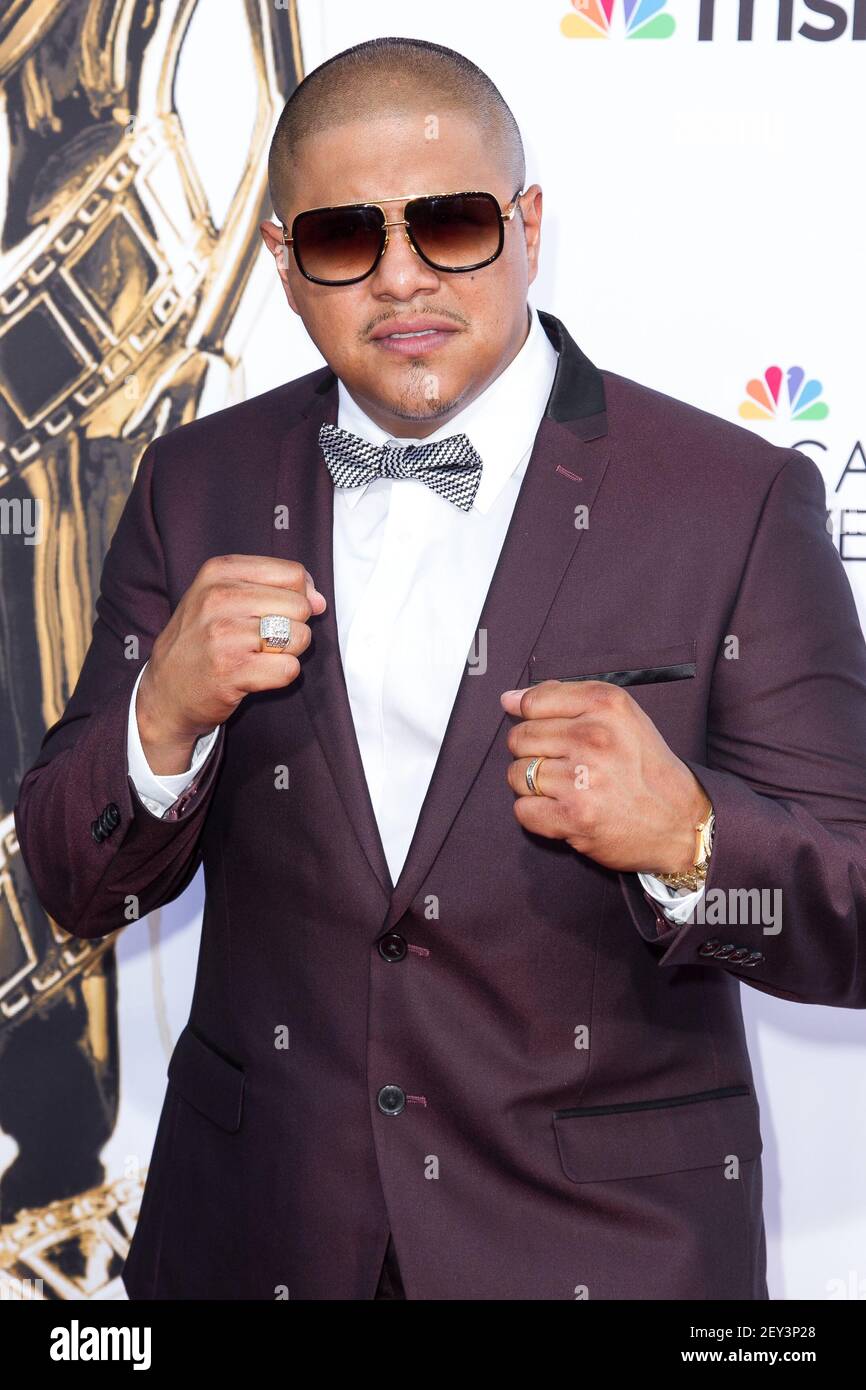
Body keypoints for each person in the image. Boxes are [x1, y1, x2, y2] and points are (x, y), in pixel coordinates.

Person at [14, 36, 866, 1302]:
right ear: (285, 264)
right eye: (348, 240)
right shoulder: (195, 485)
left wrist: (690, 840)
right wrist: (160, 720)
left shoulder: (728, 500)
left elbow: (847, 920)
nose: (402, 279)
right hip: (257, 1239)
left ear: (525, 224)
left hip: (602, 1253)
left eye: (452, 223)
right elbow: (74, 884)